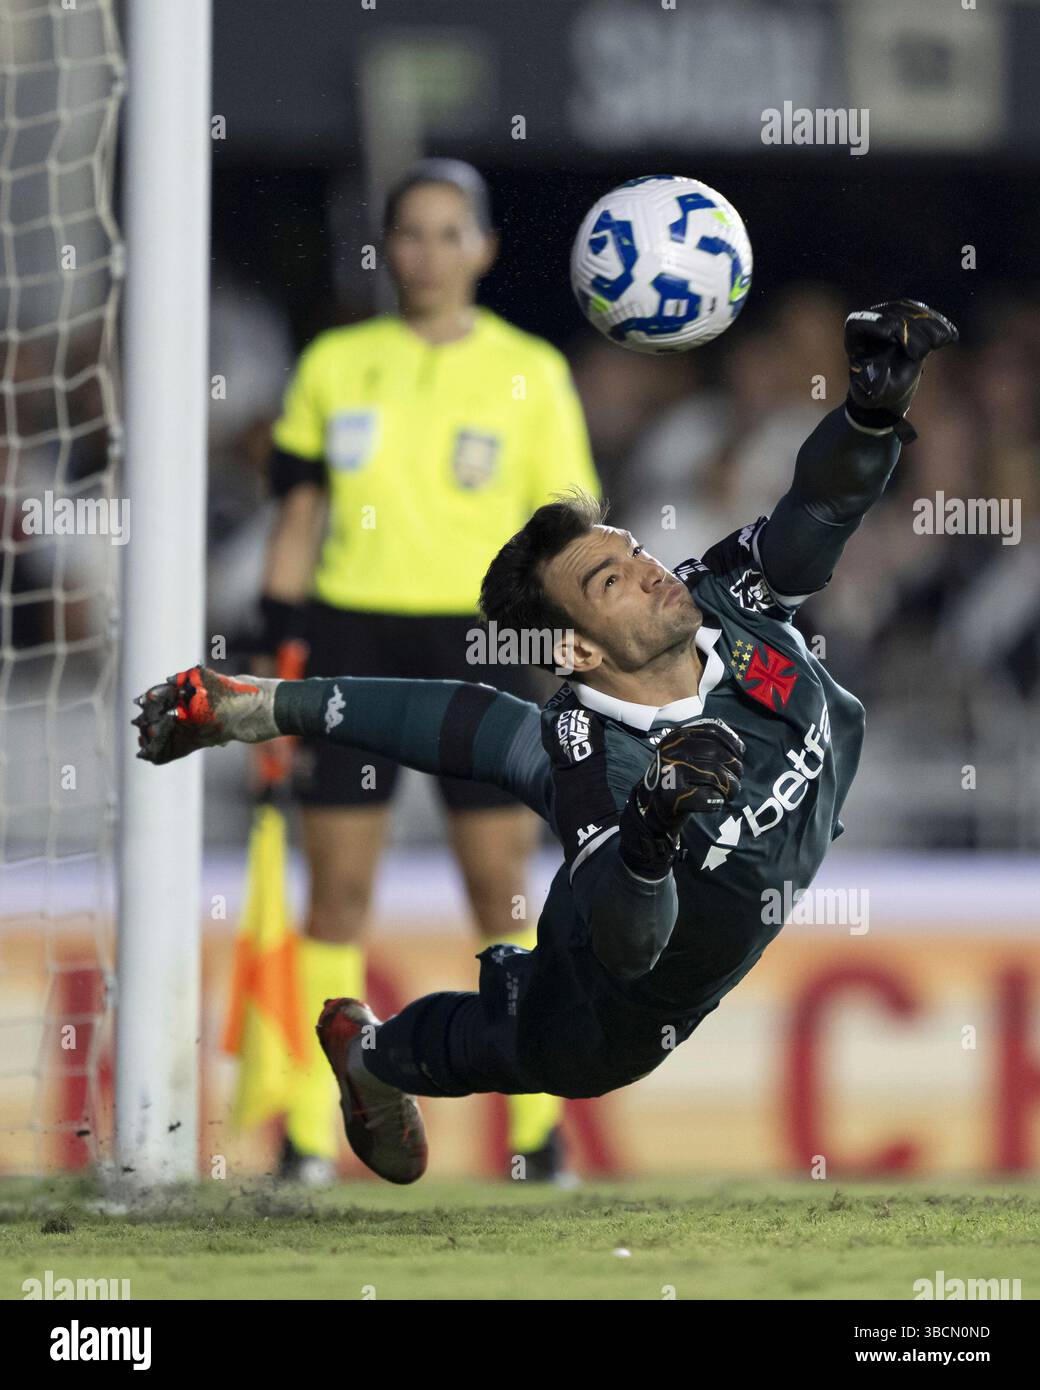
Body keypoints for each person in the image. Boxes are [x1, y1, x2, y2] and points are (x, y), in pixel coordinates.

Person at [136, 300, 956, 1184]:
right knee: (529, 1044)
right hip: (619, 1000)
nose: (649, 570)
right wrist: (647, 836)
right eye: (613, 579)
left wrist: (868, 415)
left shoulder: (729, 596)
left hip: (757, 859)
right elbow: (631, 939)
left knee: (495, 738)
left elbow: (822, 503)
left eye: (634, 550)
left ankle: (257, 711)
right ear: (577, 649)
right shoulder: (591, 755)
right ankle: (372, 1062)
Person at [257, 159, 599, 1181]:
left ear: (483, 247)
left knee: (499, 889)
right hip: (352, 638)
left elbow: (567, 528)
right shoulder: (333, 362)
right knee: (338, 895)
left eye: (451, 233)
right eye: (411, 233)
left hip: (481, 643)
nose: (430, 252)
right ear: (387, 247)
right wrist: (273, 669)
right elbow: (296, 523)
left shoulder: (530, 370)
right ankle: (307, 1140)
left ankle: (534, 1137)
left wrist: (579, 642)